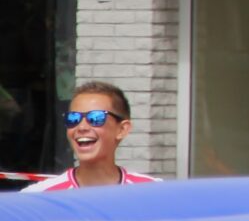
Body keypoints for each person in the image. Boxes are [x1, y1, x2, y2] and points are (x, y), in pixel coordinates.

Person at [24, 82, 160, 191]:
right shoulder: (41, 196)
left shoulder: (153, 192)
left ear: (122, 129)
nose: (82, 127)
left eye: (95, 118)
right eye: (73, 118)